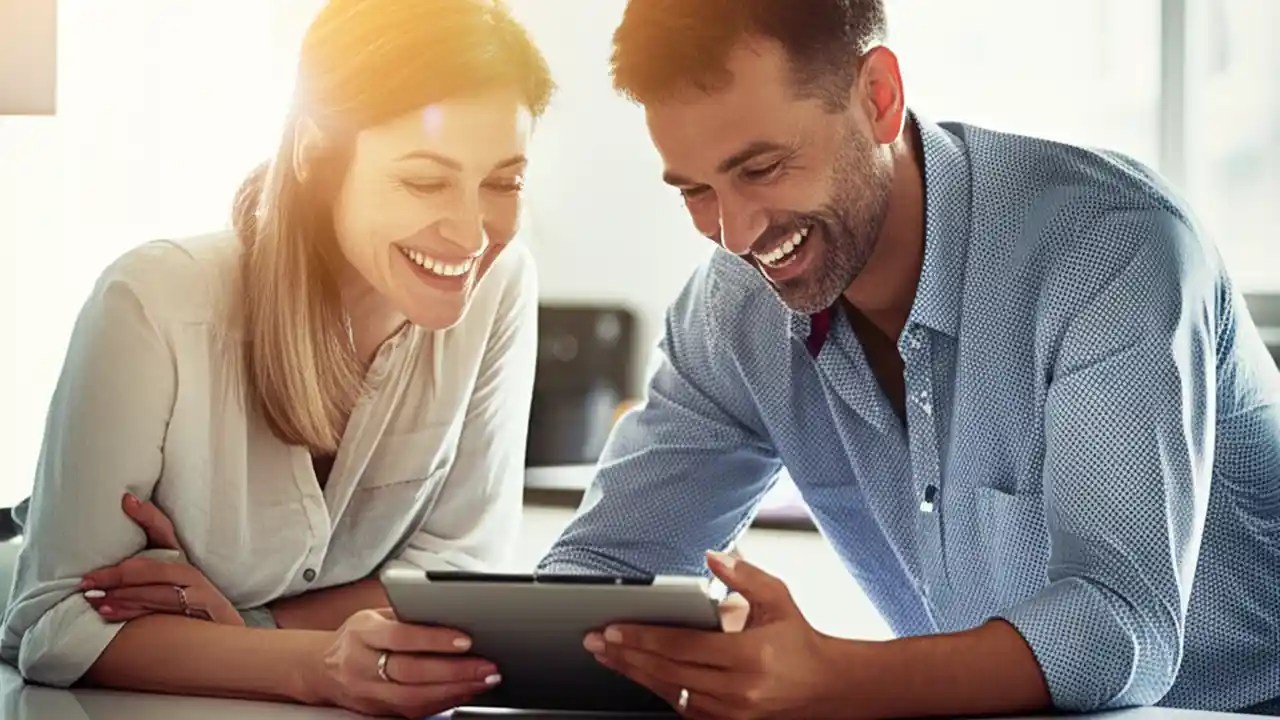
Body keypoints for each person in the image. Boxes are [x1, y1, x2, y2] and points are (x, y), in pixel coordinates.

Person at [540, 1, 1280, 717]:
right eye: (696, 191)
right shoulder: (734, 309)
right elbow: (607, 575)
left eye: (762, 168)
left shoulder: (1111, 248)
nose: (735, 234)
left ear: (879, 98)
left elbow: (1123, 626)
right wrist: (464, 649)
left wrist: (829, 680)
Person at [0, 0, 552, 716]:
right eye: (425, 180)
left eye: (503, 182)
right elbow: (56, 625)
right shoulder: (155, 302)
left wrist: (239, 630)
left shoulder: (499, 287)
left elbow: (458, 576)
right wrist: (318, 661)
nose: (473, 232)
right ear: (316, 151)